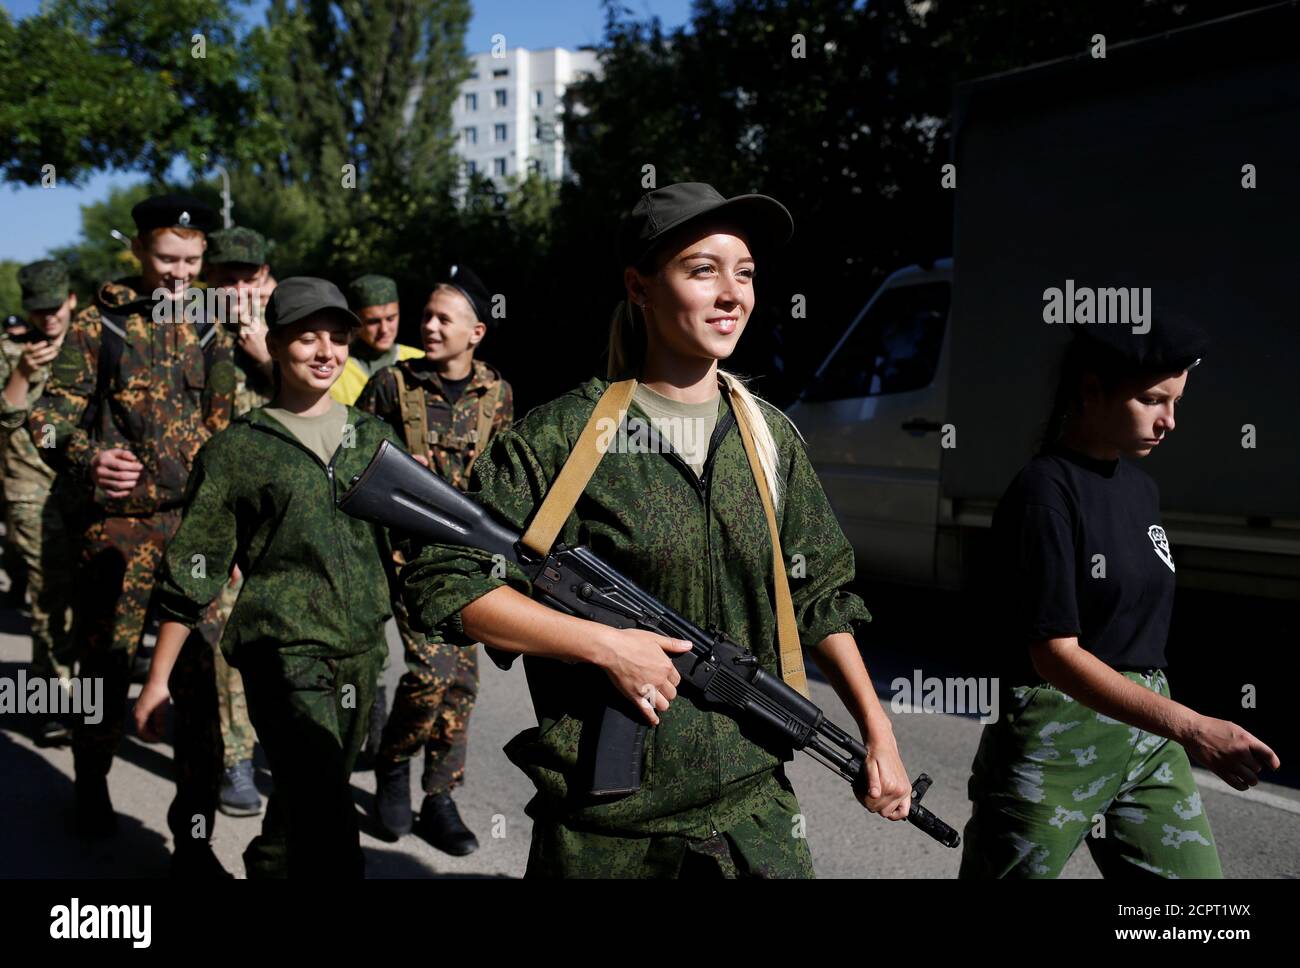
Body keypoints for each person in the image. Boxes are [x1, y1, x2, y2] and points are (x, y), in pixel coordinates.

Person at [400, 182, 913, 878]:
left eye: (746, 273)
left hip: (751, 820)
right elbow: (443, 581)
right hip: (606, 833)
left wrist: (877, 736)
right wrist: (605, 645)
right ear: (639, 289)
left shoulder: (771, 440)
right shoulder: (563, 439)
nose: (732, 293)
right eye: (703, 270)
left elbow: (822, 597)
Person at [959, 317, 1282, 878]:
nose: (1169, 421)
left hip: (1149, 737)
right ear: (1091, 393)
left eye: (1177, 401)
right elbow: (1054, 653)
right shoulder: (1045, 492)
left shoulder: (1141, 489)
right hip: (1056, 739)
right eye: (1152, 400)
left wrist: (1169, 726)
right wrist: (1194, 726)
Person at [136, 277, 403, 879]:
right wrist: (156, 683)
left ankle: (269, 867)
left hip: (361, 654)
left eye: (337, 339)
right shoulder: (237, 451)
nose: (325, 352)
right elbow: (192, 574)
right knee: (332, 823)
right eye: (307, 338)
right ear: (276, 345)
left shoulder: (376, 441)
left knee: (306, 800)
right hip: (284, 660)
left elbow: (408, 551)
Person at [30, 195, 236, 868]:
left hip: (196, 528)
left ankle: (193, 838)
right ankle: (91, 787)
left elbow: (233, 431)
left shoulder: (214, 324)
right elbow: (47, 421)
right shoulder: (101, 324)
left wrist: (237, 526)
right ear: (142, 253)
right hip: (116, 532)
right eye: (167, 259)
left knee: (201, 681)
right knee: (105, 670)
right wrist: (91, 458)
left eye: (193, 261)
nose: (180, 274)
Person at [357, 264, 513, 852]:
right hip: (405, 561)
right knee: (430, 673)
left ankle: (440, 796)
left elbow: (507, 480)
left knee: (462, 686)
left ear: (476, 332)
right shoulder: (393, 386)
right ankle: (393, 764)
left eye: (443, 317)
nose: (428, 325)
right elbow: (355, 463)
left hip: (470, 565)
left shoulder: (496, 392)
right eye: (425, 315)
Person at [200, 226, 276, 817]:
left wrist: (265, 357)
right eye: (225, 278)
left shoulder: (292, 325)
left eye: (247, 277)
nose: (237, 289)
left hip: (282, 515)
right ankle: (235, 758)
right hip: (218, 514)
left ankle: (276, 739)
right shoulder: (188, 331)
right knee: (225, 637)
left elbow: (329, 409)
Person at [0, 260, 80, 744]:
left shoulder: (90, 344)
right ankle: (56, 703)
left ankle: (54, 688)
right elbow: (3, 422)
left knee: (77, 597)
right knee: (50, 591)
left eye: (55, 308)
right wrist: (22, 375)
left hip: (80, 485)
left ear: (71, 300)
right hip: (29, 487)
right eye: (39, 311)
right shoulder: (10, 351)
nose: (48, 319)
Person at [329, 274, 422, 406]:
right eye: (373, 322)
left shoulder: (419, 361)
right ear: (355, 320)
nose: (384, 329)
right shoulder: (335, 370)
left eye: (391, 318)